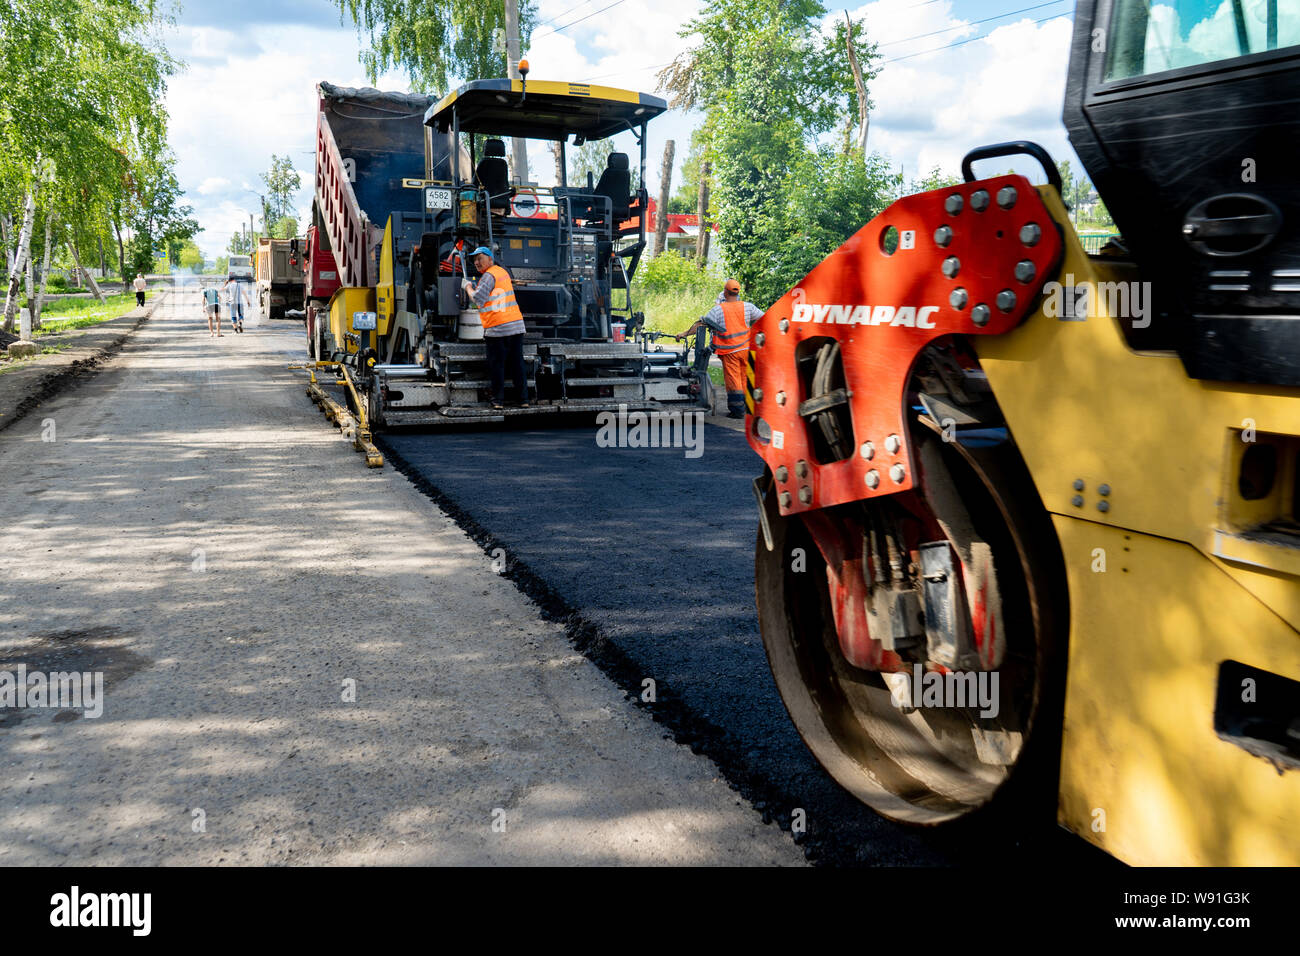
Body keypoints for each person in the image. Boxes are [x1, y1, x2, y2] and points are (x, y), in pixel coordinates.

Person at [680, 278, 763, 418]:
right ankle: (750, 409)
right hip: (747, 349)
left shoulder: (718, 310)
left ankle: (737, 411)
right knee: (746, 378)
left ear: (725, 292)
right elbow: (764, 318)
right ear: (737, 292)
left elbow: (700, 325)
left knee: (734, 381)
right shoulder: (748, 307)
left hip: (730, 351)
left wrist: (683, 334)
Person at [462, 245, 530, 409]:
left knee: (497, 365)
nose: (477, 262)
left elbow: (478, 299)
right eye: (475, 259)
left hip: (498, 328)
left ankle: (498, 401)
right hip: (516, 326)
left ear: (490, 259)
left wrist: (467, 287)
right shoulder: (502, 272)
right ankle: (523, 400)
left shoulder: (488, 276)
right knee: (517, 364)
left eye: (480, 258)